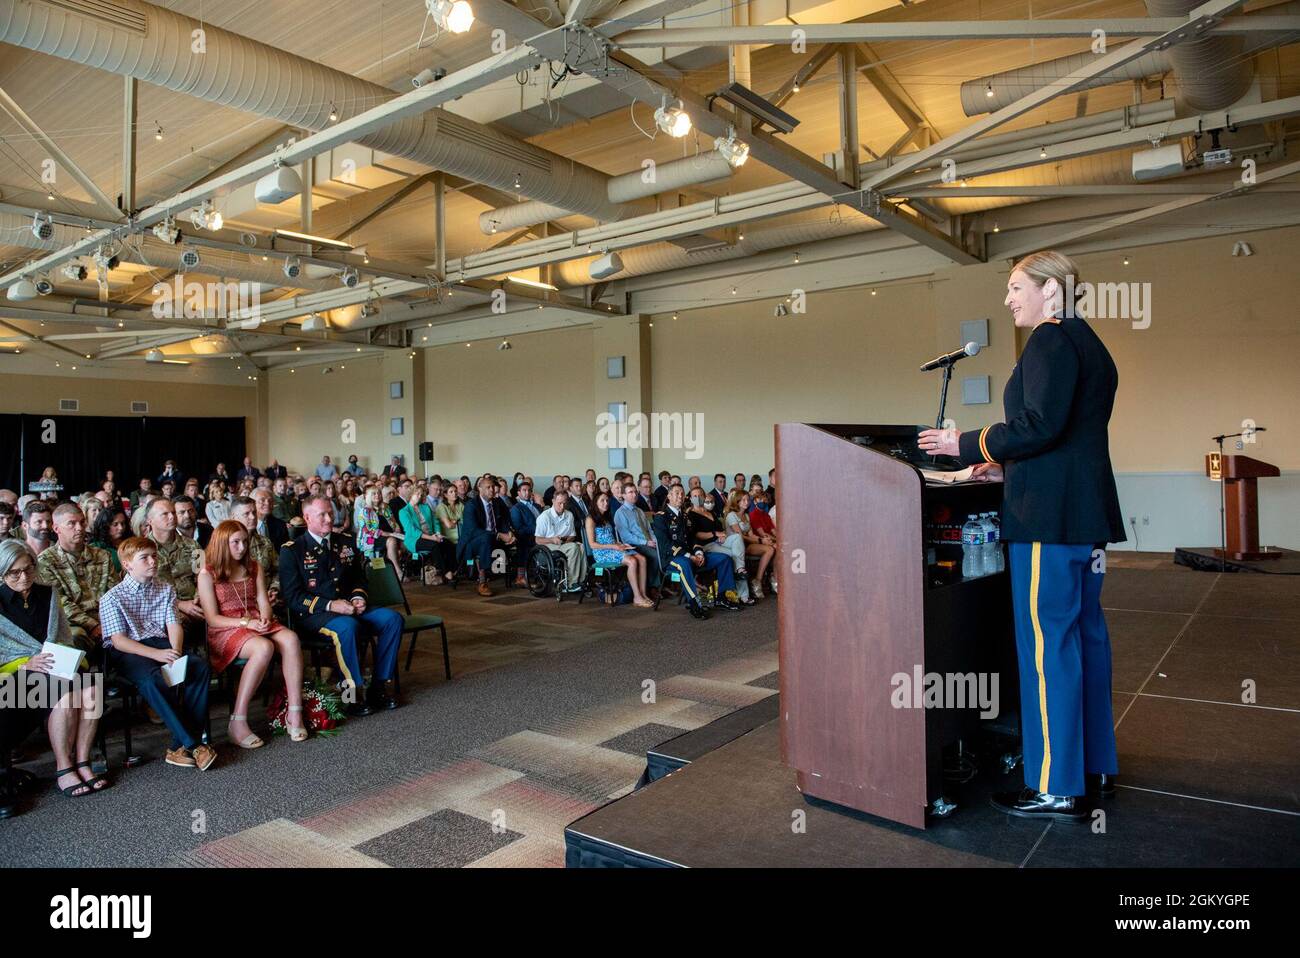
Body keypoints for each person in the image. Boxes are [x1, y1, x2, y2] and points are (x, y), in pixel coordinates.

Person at [918, 249, 1125, 823]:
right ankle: (1093, 767)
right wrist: (1005, 468)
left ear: (1050, 289)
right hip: (1080, 515)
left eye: (1015, 287)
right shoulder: (1091, 345)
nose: (1008, 299)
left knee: (1045, 649)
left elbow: (1038, 425)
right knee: (1085, 642)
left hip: (1047, 521)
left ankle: (1056, 784)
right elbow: (1066, 437)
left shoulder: (1050, 341)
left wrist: (965, 446)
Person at [0, 540, 106, 814]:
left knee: (92, 689)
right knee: (65, 693)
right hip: (14, 678)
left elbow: (62, 637)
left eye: (28, 569)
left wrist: (64, 659)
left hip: (54, 664)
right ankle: (64, 767)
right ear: (2, 574)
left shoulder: (47, 593)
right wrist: (25, 664)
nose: (24, 577)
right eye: (15, 573)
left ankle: (83, 761)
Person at [99, 537, 216, 770]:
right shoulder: (112, 597)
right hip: (129, 650)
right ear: (127, 564)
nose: (153, 561)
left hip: (160, 643)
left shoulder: (165, 589)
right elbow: (119, 641)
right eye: (145, 558)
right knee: (153, 678)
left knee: (198, 667)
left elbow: (174, 624)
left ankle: (178, 746)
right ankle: (193, 744)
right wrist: (157, 655)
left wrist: (176, 653)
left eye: (154, 556)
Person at [278, 496, 402, 716]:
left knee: (393, 620)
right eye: (322, 515)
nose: (329, 519)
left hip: (350, 607)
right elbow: (293, 597)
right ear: (307, 518)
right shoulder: (293, 550)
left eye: (330, 513)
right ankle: (352, 696)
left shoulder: (345, 541)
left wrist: (358, 597)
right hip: (315, 614)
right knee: (347, 627)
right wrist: (330, 605)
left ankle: (378, 686)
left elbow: (358, 579)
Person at [198, 520, 307, 746]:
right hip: (227, 627)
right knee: (264, 647)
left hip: (255, 619)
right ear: (221, 544)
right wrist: (247, 622)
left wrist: (265, 617)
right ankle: (237, 720)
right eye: (235, 542)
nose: (241, 547)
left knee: (290, 639)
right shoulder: (207, 573)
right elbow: (212, 619)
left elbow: (262, 600)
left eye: (244, 542)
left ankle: (294, 711)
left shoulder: (253, 566)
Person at [36, 504, 116, 648]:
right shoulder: (46, 561)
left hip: (107, 619)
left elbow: (114, 593)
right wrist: (92, 625)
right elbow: (60, 602)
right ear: (56, 529)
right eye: (72, 523)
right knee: (75, 637)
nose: (79, 528)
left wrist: (109, 623)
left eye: (82, 522)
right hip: (72, 622)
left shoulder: (102, 555)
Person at [654, 485, 740, 618]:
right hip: (672, 558)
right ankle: (694, 603)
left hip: (691, 555)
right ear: (669, 496)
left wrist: (698, 552)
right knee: (685, 564)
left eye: (682, 493)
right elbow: (666, 544)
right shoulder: (661, 517)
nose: (680, 496)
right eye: (676, 493)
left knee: (724, 559)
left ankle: (721, 597)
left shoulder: (684, 516)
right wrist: (689, 555)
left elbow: (692, 538)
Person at [146, 498, 205, 643]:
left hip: (195, 603)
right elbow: (142, 589)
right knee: (176, 622)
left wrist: (198, 599)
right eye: (165, 514)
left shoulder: (193, 545)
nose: (172, 517)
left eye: (173, 513)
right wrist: (179, 604)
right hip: (159, 608)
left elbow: (203, 575)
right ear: (150, 520)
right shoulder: (141, 550)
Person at [584, 492, 652, 607]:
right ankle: (637, 597)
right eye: (602, 500)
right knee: (632, 561)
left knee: (642, 559)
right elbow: (592, 545)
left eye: (607, 500)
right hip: (602, 553)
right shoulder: (590, 519)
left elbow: (610, 539)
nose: (606, 503)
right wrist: (614, 546)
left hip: (614, 548)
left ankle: (643, 594)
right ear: (595, 503)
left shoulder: (606, 517)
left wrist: (621, 544)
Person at [689, 490, 752, 604]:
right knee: (736, 557)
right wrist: (715, 534)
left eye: (700, 495)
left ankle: (740, 570)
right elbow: (696, 534)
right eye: (695, 496)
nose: (698, 498)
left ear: (704, 496)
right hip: (706, 545)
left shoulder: (710, 512)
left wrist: (722, 534)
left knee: (737, 537)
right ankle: (744, 596)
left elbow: (720, 529)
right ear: (690, 498)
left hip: (719, 541)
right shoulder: (691, 515)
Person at [458, 476, 516, 597]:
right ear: (480, 489)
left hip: (493, 538)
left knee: (522, 536)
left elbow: (505, 520)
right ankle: (482, 581)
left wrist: (509, 532)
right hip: (473, 541)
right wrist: (499, 535)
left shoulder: (498, 502)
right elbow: (473, 530)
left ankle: (520, 575)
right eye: (488, 487)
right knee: (486, 539)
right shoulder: (471, 505)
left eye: (493, 487)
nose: (492, 490)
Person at [532, 489, 591, 594]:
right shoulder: (544, 517)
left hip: (564, 542)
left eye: (565, 503)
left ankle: (581, 581)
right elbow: (538, 539)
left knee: (581, 546)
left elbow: (572, 535)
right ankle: (570, 583)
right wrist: (552, 539)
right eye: (559, 503)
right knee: (574, 548)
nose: (562, 506)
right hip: (548, 544)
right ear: (553, 501)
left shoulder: (569, 515)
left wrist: (568, 540)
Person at [229, 497, 280, 605]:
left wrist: (274, 589)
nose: (252, 517)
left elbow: (278, 570)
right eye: (246, 514)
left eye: (254, 512)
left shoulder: (266, 543)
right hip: (237, 603)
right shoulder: (224, 543)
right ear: (233, 517)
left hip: (268, 599)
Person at [614, 484, 663, 594]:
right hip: (633, 545)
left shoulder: (639, 511)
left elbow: (649, 529)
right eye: (630, 492)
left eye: (635, 492)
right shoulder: (620, 513)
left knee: (664, 549)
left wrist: (654, 540)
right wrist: (646, 542)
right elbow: (626, 537)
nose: (634, 494)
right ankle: (652, 587)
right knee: (654, 555)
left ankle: (662, 584)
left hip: (648, 541)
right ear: (623, 495)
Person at [726, 491, 774, 600]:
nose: (746, 502)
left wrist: (763, 540)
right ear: (737, 501)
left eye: (748, 500)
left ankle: (757, 580)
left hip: (747, 545)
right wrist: (761, 541)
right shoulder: (731, 515)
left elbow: (751, 535)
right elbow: (740, 536)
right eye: (743, 500)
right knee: (768, 548)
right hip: (735, 547)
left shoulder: (746, 516)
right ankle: (756, 583)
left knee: (770, 549)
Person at [399, 485, 444, 580]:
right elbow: (412, 531)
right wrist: (432, 538)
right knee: (435, 545)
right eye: (417, 494)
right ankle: (444, 572)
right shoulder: (403, 511)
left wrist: (438, 533)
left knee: (447, 544)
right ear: (410, 495)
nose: (419, 496)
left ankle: (450, 571)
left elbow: (435, 521)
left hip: (431, 535)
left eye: (421, 494)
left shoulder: (425, 507)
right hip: (414, 540)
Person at [354, 486, 404, 569]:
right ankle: (397, 570)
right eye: (374, 494)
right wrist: (383, 533)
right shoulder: (365, 511)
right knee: (392, 541)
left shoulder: (385, 507)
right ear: (369, 496)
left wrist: (396, 527)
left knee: (405, 542)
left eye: (379, 493)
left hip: (389, 534)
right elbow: (366, 530)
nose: (377, 495)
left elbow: (393, 521)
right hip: (371, 538)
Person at [509, 480, 542, 588]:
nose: (527, 493)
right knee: (524, 542)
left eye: (529, 490)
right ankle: (521, 577)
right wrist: (536, 530)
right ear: (518, 493)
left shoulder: (536, 507)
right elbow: (518, 528)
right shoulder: (516, 508)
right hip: (526, 536)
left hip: (541, 535)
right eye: (524, 490)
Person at [433, 483, 463, 584]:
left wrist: (454, 521)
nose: (454, 493)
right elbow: (449, 525)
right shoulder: (441, 507)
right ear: (445, 495)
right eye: (451, 492)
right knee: (448, 546)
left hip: (461, 535)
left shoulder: (460, 505)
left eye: (455, 491)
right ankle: (450, 573)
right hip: (447, 537)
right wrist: (456, 521)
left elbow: (466, 522)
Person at [89, 507, 129, 572]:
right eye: (115, 524)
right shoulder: (96, 547)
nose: (121, 528)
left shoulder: (130, 542)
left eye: (123, 523)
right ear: (105, 526)